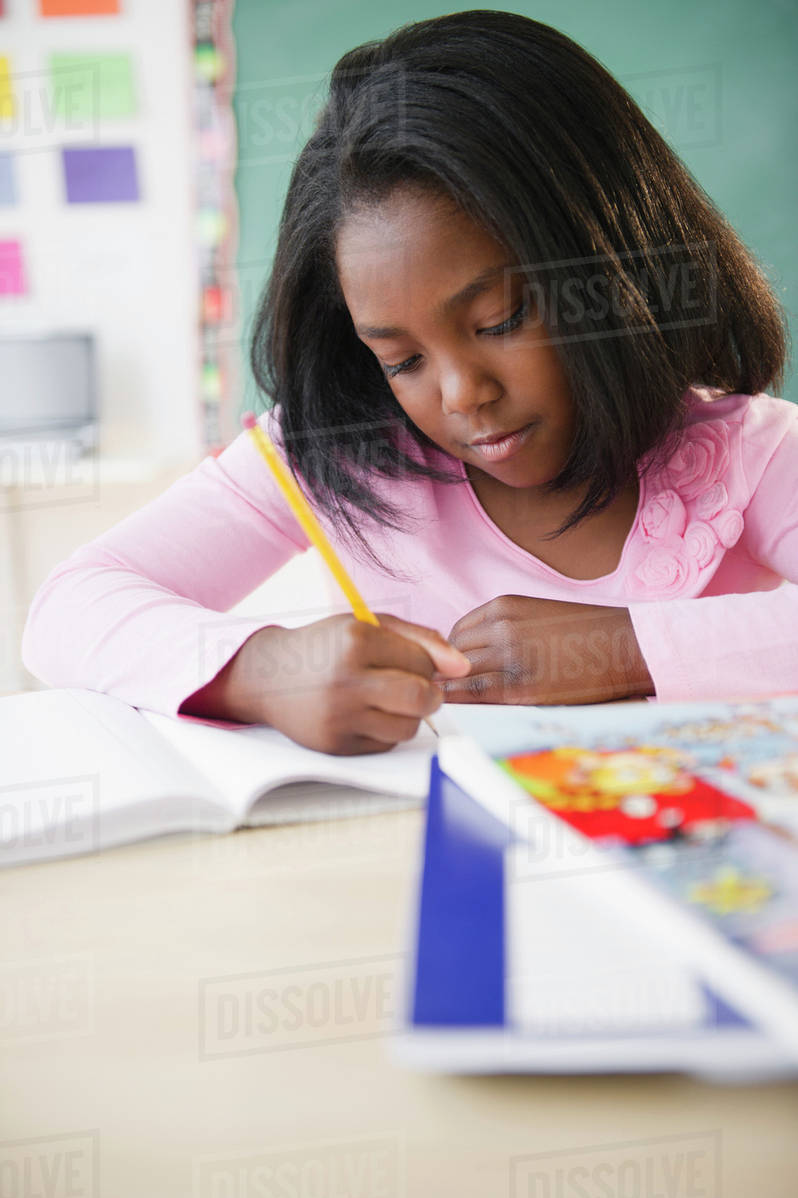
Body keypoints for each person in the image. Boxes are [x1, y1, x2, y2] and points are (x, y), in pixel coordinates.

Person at [21, 10, 797, 755]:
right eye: (401, 361)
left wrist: (628, 649)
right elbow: (68, 609)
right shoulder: (339, 452)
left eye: (500, 320)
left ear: (616, 266)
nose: (462, 393)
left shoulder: (749, 456)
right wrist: (264, 671)